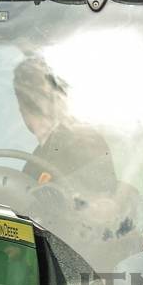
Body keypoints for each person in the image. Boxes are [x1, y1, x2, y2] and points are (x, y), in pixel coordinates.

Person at [12, 55, 117, 192]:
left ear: (59, 98)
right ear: (21, 109)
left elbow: (96, 202)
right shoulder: (35, 160)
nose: (40, 106)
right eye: (28, 101)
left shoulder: (84, 141)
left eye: (43, 96)